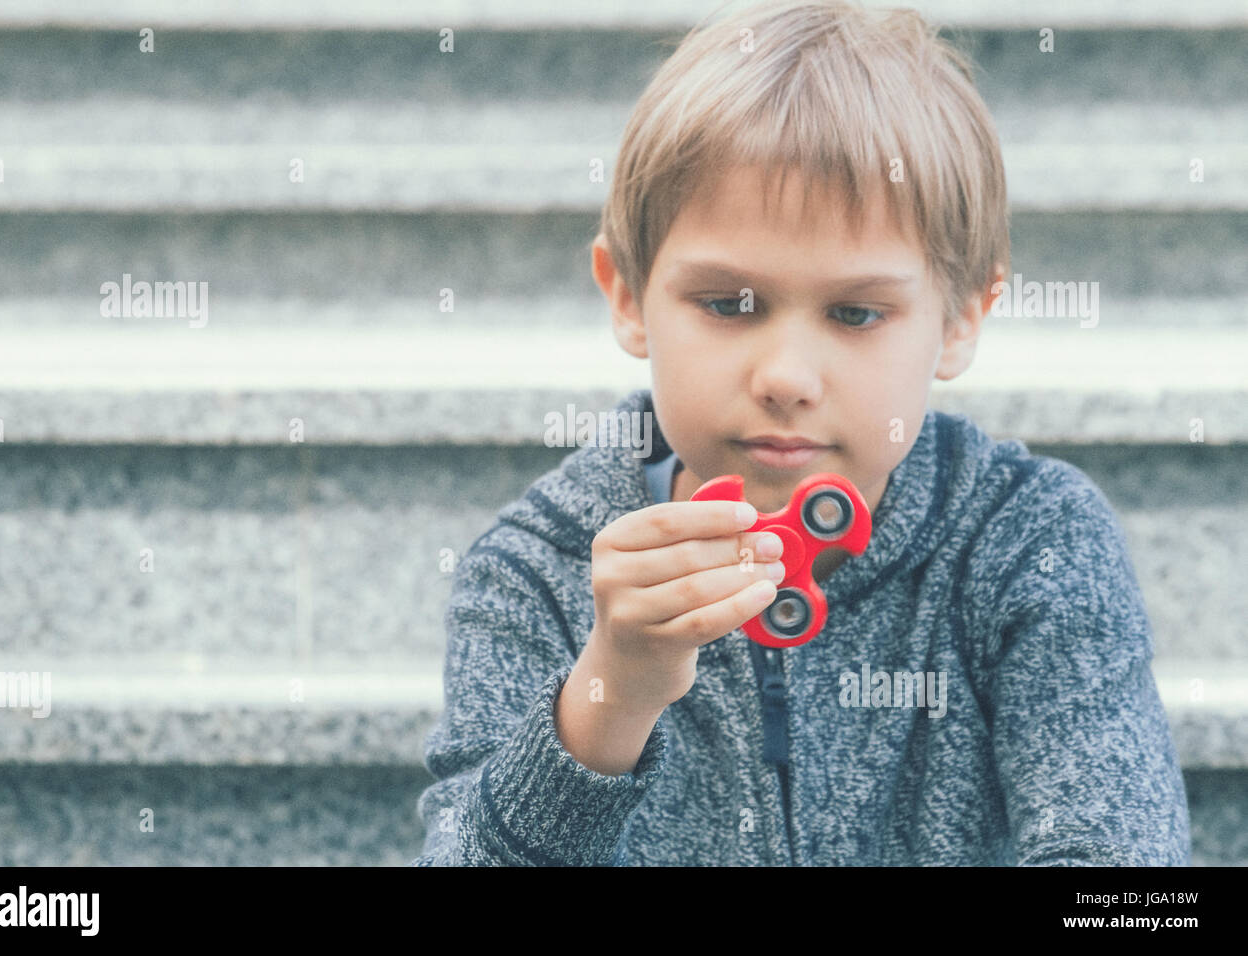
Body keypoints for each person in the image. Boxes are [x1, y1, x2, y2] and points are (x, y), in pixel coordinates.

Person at [410, 0, 1191, 865]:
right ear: (627, 295)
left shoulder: (1029, 543)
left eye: (855, 313)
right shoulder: (541, 571)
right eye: (726, 305)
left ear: (964, 317)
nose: (785, 376)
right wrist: (611, 694)